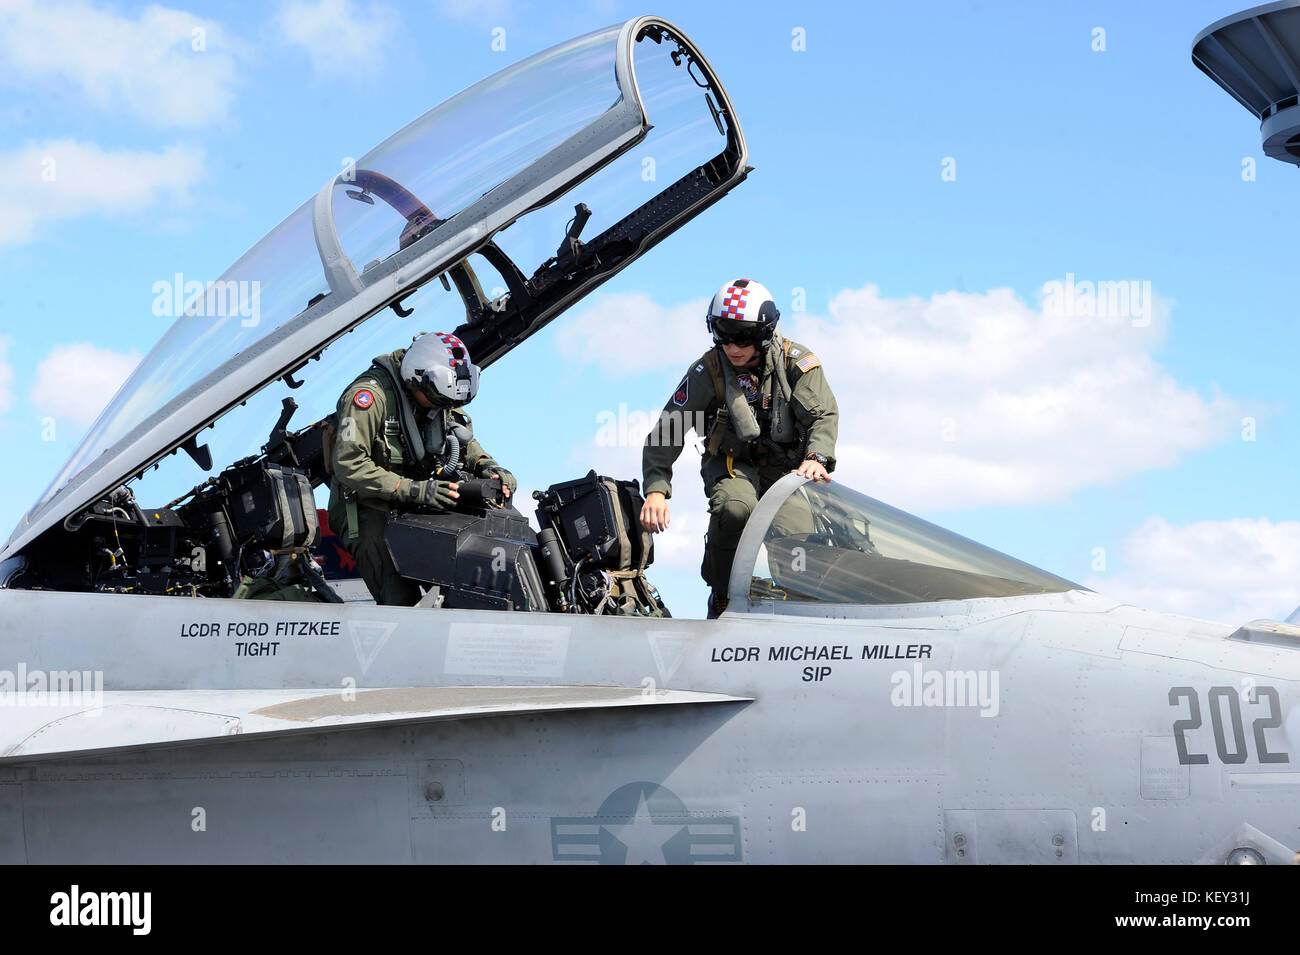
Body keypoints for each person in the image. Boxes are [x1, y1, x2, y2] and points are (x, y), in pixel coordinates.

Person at [640, 280, 838, 618]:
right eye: (724, 334)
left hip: (788, 468)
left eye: (743, 337)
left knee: (797, 531)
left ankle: (797, 604)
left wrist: (816, 457)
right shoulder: (709, 370)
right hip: (732, 461)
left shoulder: (797, 363)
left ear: (764, 333)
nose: (733, 347)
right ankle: (724, 594)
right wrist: (656, 489)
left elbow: (823, 415)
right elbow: (668, 429)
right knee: (735, 509)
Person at [327, 331, 516, 605]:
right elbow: (349, 465)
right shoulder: (369, 397)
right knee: (399, 600)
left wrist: (488, 466)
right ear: (416, 379)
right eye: (440, 401)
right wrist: (415, 490)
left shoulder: (436, 396)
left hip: (415, 499)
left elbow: (461, 436)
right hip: (366, 506)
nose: (444, 408)